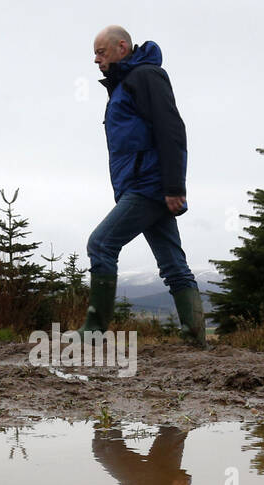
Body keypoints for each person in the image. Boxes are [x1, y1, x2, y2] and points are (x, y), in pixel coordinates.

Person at [83, 25, 206, 348]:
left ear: (122, 47)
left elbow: (172, 129)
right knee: (173, 265)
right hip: (143, 185)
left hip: (149, 186)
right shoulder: (125, 84)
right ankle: (195, 339)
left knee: (101, 244)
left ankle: (94, 331)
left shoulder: (146, 76)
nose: (96, 60)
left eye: (101, 52)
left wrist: (174, 186)